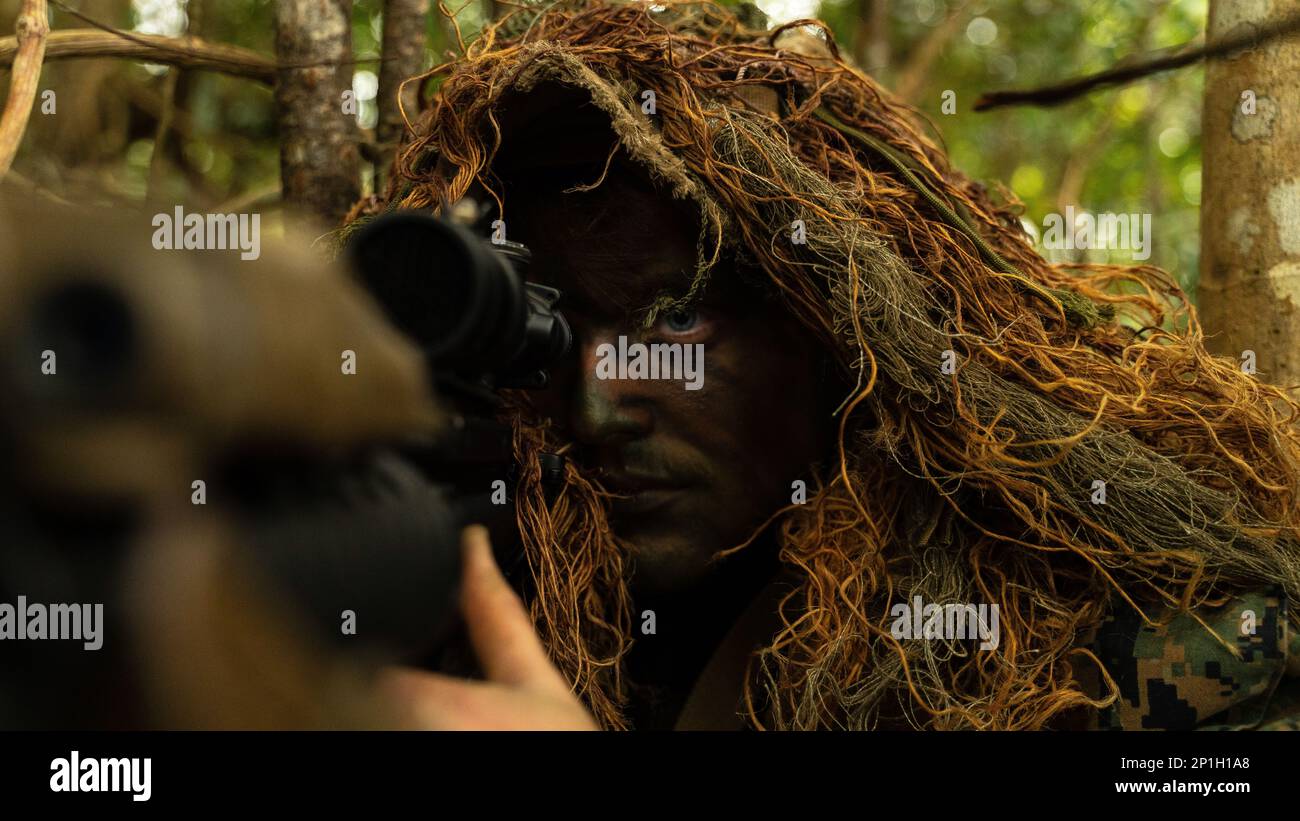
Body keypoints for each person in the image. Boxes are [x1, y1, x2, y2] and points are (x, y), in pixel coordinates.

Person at [356, 0, 1300, 730]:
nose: (598, 410)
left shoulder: (1098, 648)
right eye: (555, 330)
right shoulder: (453, 588)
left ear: (830, 325)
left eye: (676, 320)